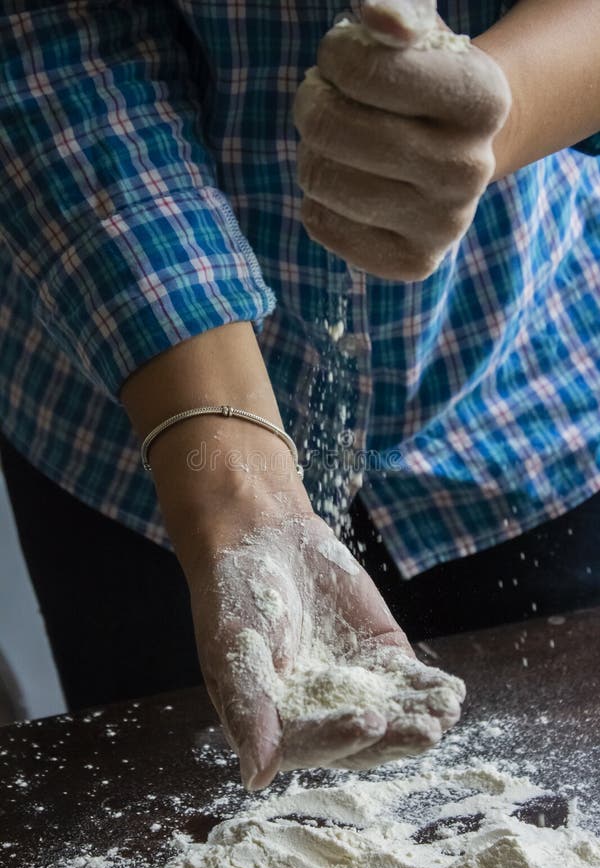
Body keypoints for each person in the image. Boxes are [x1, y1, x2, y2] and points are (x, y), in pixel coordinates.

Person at [0, 0, 599, 789]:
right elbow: (47, 47)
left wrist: (501, 108)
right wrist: (233, 493)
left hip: (523, 382)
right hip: (134, 408)